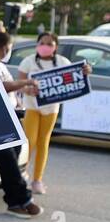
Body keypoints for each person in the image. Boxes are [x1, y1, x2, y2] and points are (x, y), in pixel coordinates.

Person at [16, 32, 89, 194]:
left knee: (43, 142)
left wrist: (85, 71)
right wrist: (27, 89)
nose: (45, 46)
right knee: (30, 141)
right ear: (37, 44)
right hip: (32, 106)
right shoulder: (28, 61)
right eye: (42, 43)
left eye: (50, 44)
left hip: (51, 108)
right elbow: (19, 83)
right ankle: (20, 176)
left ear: (56, 47)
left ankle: (37, 180)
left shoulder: (63, 62)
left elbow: (76, 76)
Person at [0, 31, 41, 217]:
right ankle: (23, 199)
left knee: (12, 158)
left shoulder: (0, 65)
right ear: (5, 47)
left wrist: (25, 90)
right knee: (7, 157)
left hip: (10, 118)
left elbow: (10, 87)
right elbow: (0, 86)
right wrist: (26, 82)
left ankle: (14, 198)